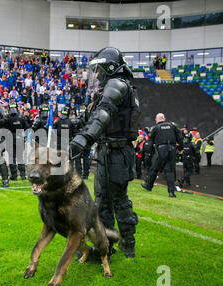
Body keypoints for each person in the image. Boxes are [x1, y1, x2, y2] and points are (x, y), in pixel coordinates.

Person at [70, 47, 140, 259]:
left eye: (100, 69)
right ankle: (106, 248)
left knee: (118, 200)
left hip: (116, 152)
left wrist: (84, 138)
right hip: (110, 150)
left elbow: (103, 114)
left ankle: (127, 244)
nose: (98, 75)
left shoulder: (117, 84)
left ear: (110, 67)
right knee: (103, 202)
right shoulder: (120, 86)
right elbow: (99, 116)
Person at [141, 113, 183, 197]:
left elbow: (151, 141)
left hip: (161, 150)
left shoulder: (155, 128)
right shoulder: (172, 126)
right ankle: (171, 192)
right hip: (171, 149)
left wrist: (149, 153)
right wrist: (180, 148)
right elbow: (180, 137)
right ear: (164, 118)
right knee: (170, 170)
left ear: (156, 120)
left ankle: (148, 185)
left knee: (155, 168)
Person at [5, 103, 29, 180]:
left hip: (10, 139)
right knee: (20, 158)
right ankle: (22, 175)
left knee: (12, 158)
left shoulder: (7, 118)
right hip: (20, 138)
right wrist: (25, 137)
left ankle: (14, 176)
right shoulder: (21, 117)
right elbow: (27, 129)